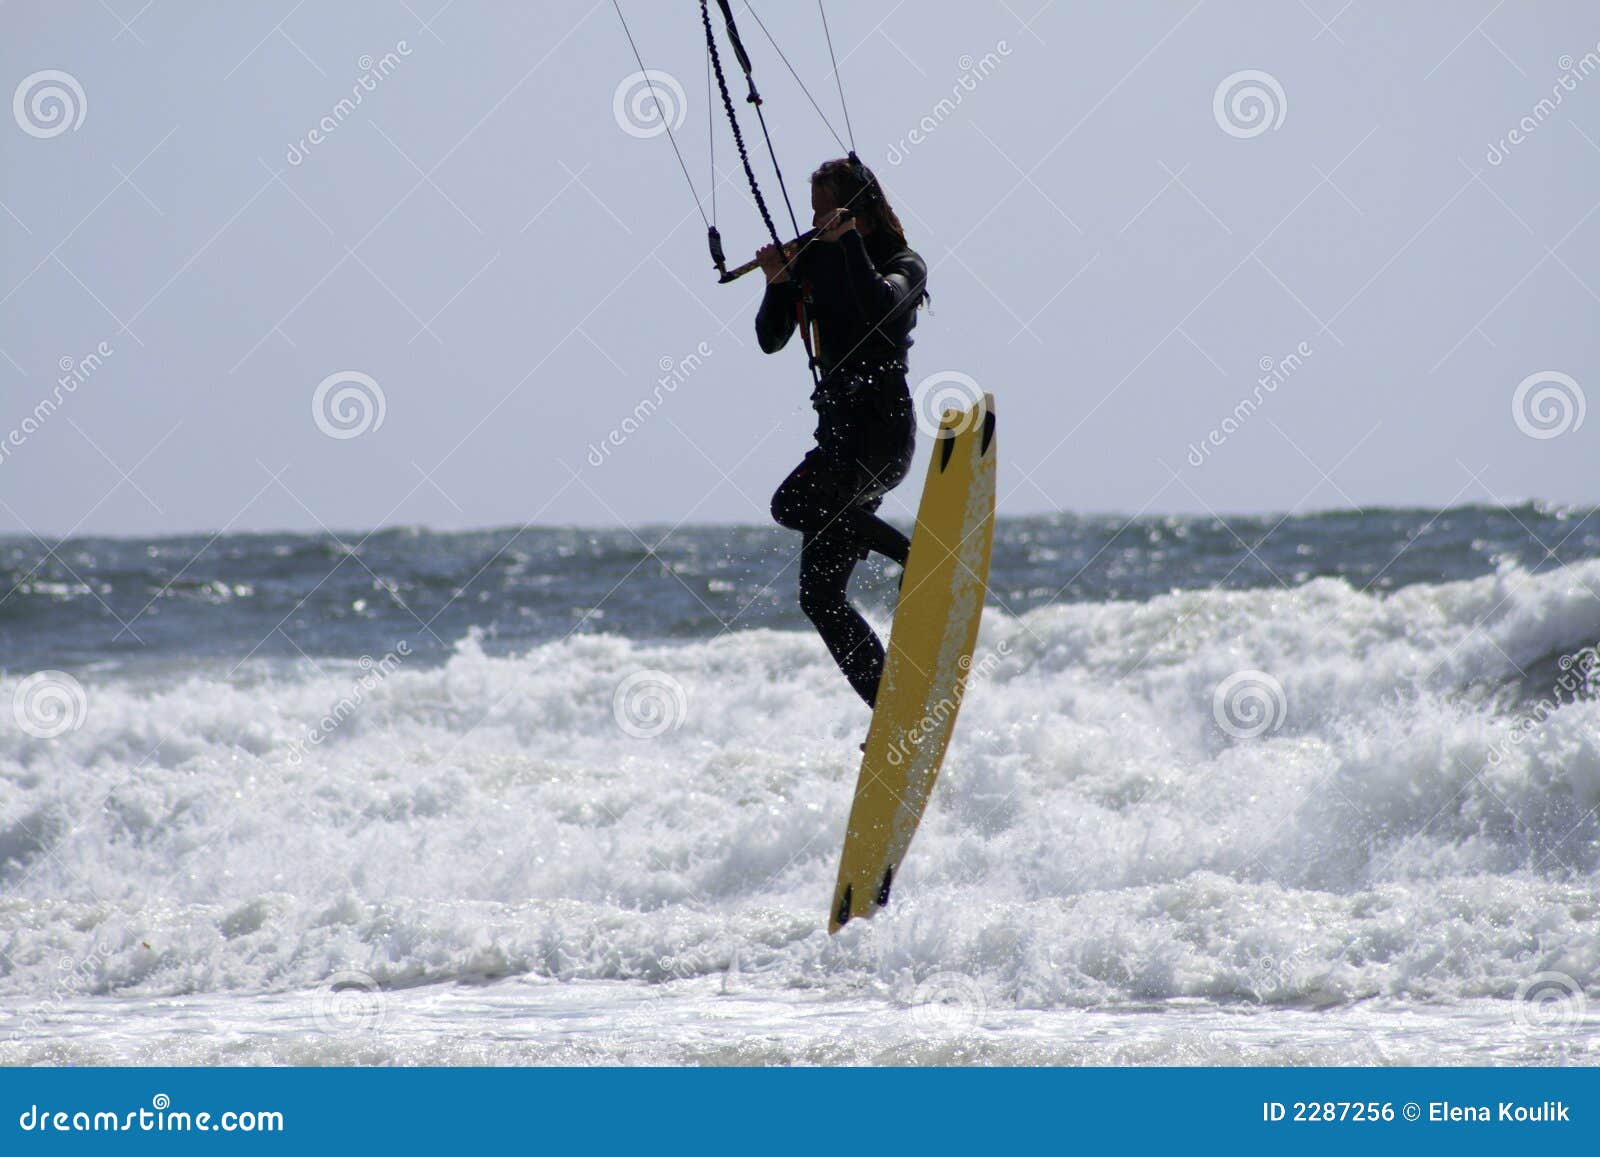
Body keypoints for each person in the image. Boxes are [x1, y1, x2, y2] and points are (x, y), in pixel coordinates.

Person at [757, 157, 929, 709]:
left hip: (880, 432)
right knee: (819, 595)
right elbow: (771, 338)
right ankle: (891, 706)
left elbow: (880, 306)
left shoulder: (904, 262)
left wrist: (847, 242)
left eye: (832, 211)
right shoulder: (815, 262)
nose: (820, 221)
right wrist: (778, 283)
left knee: (791, 502)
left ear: (865, 211)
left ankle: (919, 557)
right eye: (817, 213)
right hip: (838, 441)